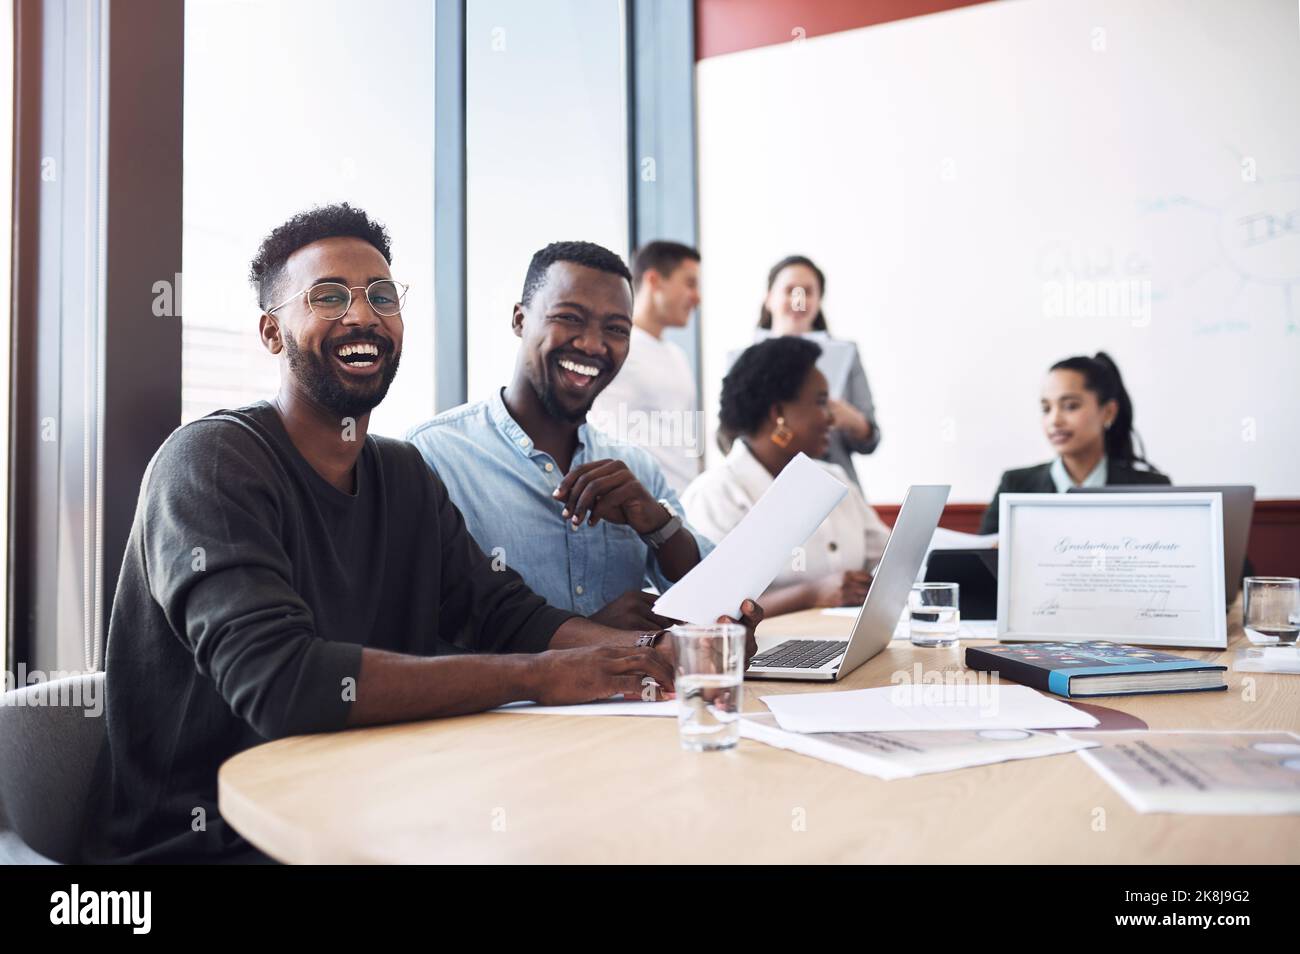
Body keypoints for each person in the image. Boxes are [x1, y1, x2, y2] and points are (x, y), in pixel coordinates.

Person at [84, 206, 761, 863]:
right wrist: (545, 676)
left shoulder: (402, 473)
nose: (362, 315)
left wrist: (668, 651)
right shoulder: (210, 463)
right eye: (328, 296)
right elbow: (282, 683)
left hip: (387, 810)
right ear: (271, 333)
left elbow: (507, 615)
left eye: (382, 295)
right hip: (225, 843)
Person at [408, 241, 717, 633]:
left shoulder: (637, 470)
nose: (592, 344)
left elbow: (716, 607)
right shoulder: (434, 456)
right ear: (520, 320)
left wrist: (658, 523)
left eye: (616, 329)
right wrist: (581, 634)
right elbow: (419, 634)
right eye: (570, 318)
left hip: (639, 696)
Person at [683, 337, 892, 615]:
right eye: (820, 402)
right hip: (759, 656)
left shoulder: (836, 480)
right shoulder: (715, 495)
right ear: (778, 413)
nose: (831, 418)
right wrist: (810, 595)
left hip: (844, 649)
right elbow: (708, 611)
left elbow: (890, 562)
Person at [978, 351, 1170, 534]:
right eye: (1046, 409)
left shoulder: (1152, 489)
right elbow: (984, 561)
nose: (1055, 420)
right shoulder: (1015, 486)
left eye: (1070, 406)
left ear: (1108, 412)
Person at [752, 254, 881, 494]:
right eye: (790, 290)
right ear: (769, 298)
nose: (798, 300)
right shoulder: (747, 360)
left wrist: (852, 420)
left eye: (808, 292)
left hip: (836, 487)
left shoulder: (846, 354)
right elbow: (726, 439)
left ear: (819, 300)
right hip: (768, 490)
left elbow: (871, 440)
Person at [589, 240, 702, 494]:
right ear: (654, 280)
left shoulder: (677, 356)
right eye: (690, 283)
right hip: (636, 505)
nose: (697, 297)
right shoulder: (614, 347)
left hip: (683, 506)